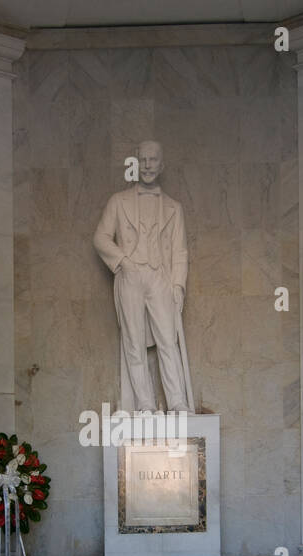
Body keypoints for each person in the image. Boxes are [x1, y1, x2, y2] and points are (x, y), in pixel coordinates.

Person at [94, 140, 194, 413]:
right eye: (144, 160)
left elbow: (180, 251)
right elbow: (101, 238)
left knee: (168, 340)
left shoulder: (174, 207)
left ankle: (177, 400)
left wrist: (177, 285)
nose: (148, 165)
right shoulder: (118, 201)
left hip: (160, 277)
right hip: (130, 276)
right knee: (134, 342)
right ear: (136, 164)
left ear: (161, 166)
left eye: (153, 160)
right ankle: (145, 403)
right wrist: (123, 261)